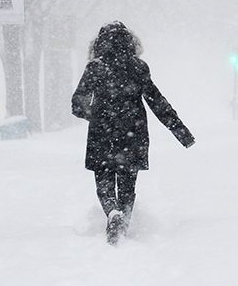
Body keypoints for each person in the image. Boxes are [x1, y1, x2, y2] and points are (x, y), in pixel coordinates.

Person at [71, 21, 194, 244]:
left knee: (104, 183)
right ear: (131, 43)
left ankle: (112, 213)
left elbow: (77, 103)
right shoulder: (138, 68)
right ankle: (124, 223)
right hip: (132, 134)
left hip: (102, 135)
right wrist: (181, 131)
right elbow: (157, 102)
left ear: (99, 44)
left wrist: (97, 115)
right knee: (127, 183)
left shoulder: (95, 68)